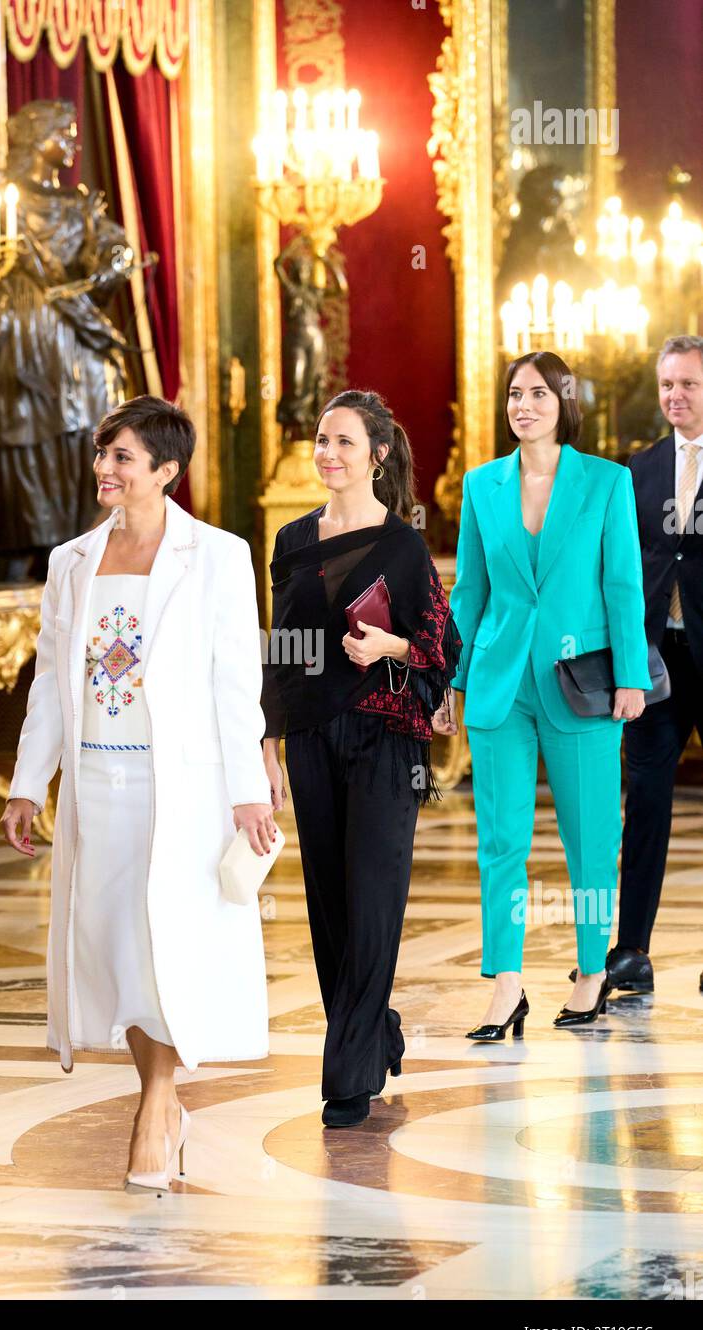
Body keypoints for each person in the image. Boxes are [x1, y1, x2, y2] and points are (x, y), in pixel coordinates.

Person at [2, 396, 274, 1191]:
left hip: (179, 789)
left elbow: (235, 681)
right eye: (101, 454)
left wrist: (247, 791)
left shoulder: (218, 555)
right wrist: (28, 783)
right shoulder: (71, 561)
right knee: (116, 944)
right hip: (96, 786)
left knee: (165, 945)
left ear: (165, 470)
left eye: (121, 457)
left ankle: (158, 1103)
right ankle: (154, 1093)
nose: (104, 470)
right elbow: (52, 682)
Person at [262, 389, 460, 1128]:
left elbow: (444, 646)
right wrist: (267, 746)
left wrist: (390, 647)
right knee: (328, 905)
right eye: (321, 440)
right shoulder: (290, 541)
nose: (327, 453)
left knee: (374, 899)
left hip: (386, 739)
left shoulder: (403, 546)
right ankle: (375, 1031)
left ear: (376, 455)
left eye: (344, 442)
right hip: (312, 735)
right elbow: (282, 648)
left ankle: (347, 1076)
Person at [445, 351, 651, 1038]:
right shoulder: (481, 486)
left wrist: (632, 674)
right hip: (501, 685)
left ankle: (592, 970)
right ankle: (506, 983)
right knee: (501, 841)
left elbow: (623, 583)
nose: (523, 404)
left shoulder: (605, 482)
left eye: (537, 393)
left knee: (590, 839)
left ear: (564, 401)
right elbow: (470, 591)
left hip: (582, 683)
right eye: (513, 393)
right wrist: (454, 678)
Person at [611, 335, 703, 993]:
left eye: (688, 384)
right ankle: (632, 952)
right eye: (667, 384)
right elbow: (618, 568)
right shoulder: (637, 471)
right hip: (654, 660)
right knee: (644, 801)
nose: (675, 395)